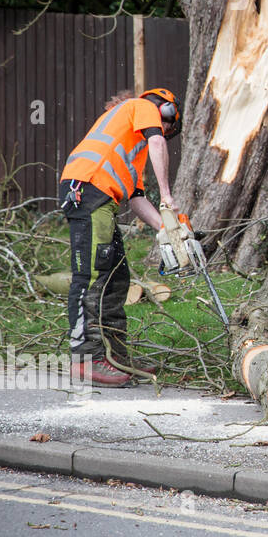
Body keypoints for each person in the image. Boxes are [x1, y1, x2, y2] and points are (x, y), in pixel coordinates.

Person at [59, 88, 183, 386]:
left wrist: (167, 228)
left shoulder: (131, 149)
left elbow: (138, 200)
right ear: (165, 111)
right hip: (87, 191)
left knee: (116, 277)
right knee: (90, 276)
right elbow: (156, 140)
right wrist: (167, 196)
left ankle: (115, 356)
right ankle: (87, 358)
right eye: (168, 128)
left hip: (101, 198)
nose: (164, 134)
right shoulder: (142, 106)